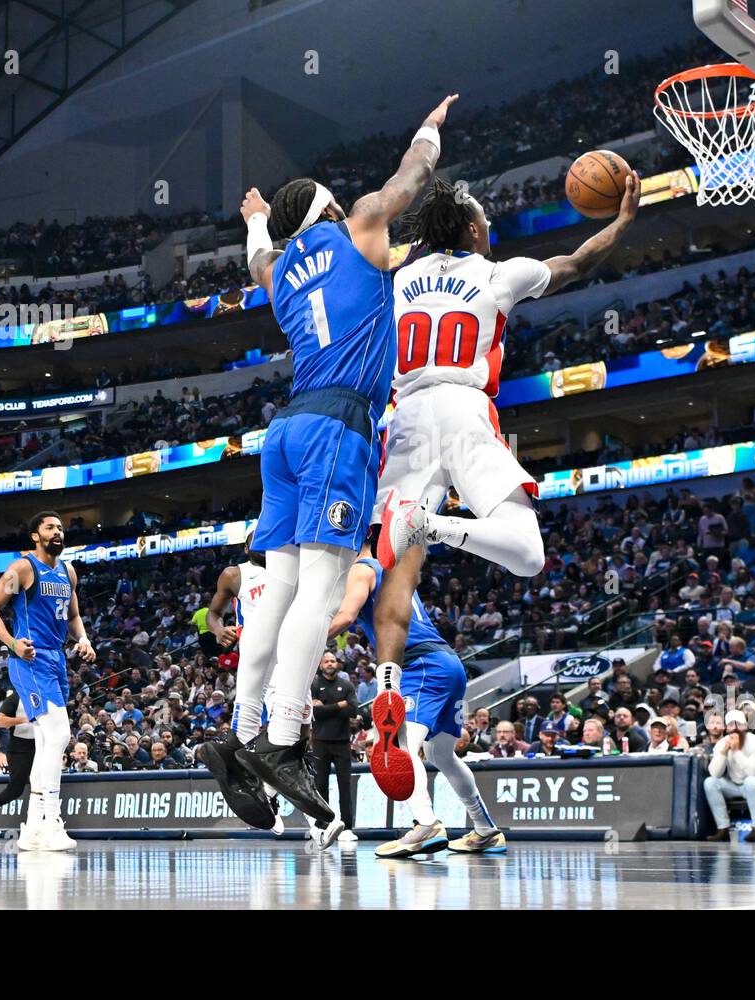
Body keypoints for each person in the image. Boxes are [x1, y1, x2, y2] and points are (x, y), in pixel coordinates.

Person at [234, 94, 459, 820]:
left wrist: (257, 220)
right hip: (338, 425)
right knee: (322, 592)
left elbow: (258, 254)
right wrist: (431, 126)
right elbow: (412, 176)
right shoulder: (361, 225)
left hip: (286, 432)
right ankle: (282, 738)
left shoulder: (277, 275)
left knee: (281, 587)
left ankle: (242, 733)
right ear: (332, 208)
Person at [372, 170, 642, 766]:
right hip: (465, 408)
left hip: (407, 418)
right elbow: (577, 263)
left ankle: (387, 688)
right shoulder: (497, 274)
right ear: (473, 228)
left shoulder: (396, 281)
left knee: (393, 572)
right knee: (528, 555)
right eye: (484, 221)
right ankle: (432, 526)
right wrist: (621, 222)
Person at [329, 544, 504, 856]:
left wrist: (298, 645)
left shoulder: (362, 568)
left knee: (398, 745)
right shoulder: (395, 571)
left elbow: (345, 616)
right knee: (442, 755)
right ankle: (485, 830)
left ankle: (426, 824)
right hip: (448, 663)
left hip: (419, 666)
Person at [0, 511, 96, 851]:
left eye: (61, 527)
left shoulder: (67, 572)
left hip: (57, 658)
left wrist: (84, 640)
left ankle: (32, 827)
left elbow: (73, 616)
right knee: (60, 733)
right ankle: (50, 820)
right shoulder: (23, 570)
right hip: (29, 659)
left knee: (47, 740)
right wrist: (13, 642)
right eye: (50, 527)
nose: (57, 532)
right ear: (35, 535)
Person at [198, 535, 285, 833]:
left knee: (286, 731)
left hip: (287, 656)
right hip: (254, 661)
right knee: (248, 733)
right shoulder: (235, 574)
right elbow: (213, 613)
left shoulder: (289, 566)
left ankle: (272, 798)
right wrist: (219, 629)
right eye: (257, 540)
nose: (264, 543)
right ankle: (260, 793)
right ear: (247, 548)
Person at [310, 652, 360, 842]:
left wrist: (326, 708)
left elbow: (353, 710)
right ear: (321, 665)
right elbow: (315, 712)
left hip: (342, 742)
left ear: (337, 664)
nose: (330, 663)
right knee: (320, 786)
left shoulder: (346, 685)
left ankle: (347, 827)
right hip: (320, 742)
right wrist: (339, 705)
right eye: (326, 661)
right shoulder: (314, 685)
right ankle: (323, 825)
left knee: (344, 786)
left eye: (332, 661)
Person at [704, 710, 755, 842]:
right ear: (726, 728)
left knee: (751, 782)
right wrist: (723, 753)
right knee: (710, 782)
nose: (735, 728)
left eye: (738, 724)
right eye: (731, 725)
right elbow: (715, 773)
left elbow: (752, 772)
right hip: (734, 785)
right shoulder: (722, 743)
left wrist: (736, 751)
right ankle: (723, 829)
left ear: (745, 726)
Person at [0, 689, 37, 835]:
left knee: (42, 784)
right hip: (19, 748)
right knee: (16, 789)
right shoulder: (15, 697)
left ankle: (38, 824)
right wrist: (24, 719)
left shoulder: (45, 693)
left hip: (40, 746)